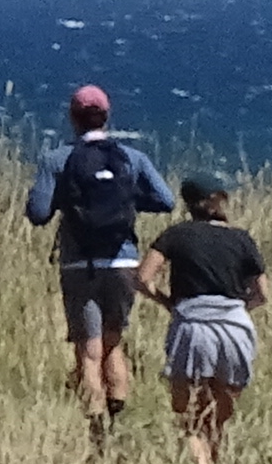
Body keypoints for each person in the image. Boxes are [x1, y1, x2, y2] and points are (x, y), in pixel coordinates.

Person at [22, 84, 175, 442]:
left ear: (72, 118)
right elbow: (166, 201)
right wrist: (130, 204)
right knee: (114, 344)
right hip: (124, 262)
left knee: (88, 353)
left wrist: (67, 201)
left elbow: (37, 213)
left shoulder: (57, 159)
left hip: (79, 265)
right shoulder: (132, 159)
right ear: (107, 117)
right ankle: (118, 421)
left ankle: (96, 434)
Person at [147, 170, 268, 464]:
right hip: (234, 327)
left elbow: (141, 277)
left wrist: (168, 304)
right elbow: (262, 293)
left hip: (192, 324)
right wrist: (239, 310)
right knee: (220, 414)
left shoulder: (176, 235)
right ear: (220, 201)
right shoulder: (241, 238)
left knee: (188, 416)